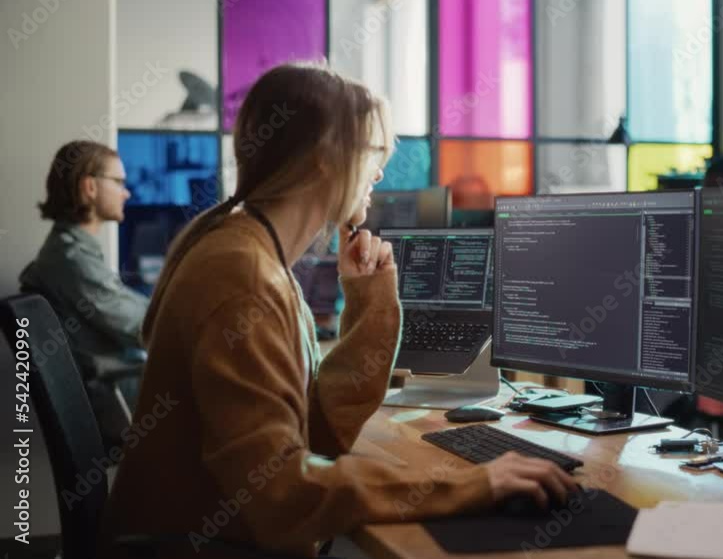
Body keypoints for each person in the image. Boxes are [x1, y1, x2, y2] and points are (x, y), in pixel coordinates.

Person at [99, 63, 576, 558]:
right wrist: (465, 486)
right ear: (325, 160)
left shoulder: (252, 250)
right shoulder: (242, 276)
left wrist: (369, 298)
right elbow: (279, 492)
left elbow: (318, 428)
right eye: (372, 152)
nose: (381, 170)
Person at [20, 141, 148, 378]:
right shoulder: (72, 259)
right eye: (118, 182)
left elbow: (130, 310)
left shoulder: (72, 251)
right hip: (114, 394)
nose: (126, 192)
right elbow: (143, 328)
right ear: (90, 187)